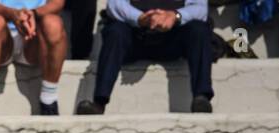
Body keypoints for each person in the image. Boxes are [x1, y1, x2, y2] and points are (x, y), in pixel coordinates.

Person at [76, 0, 213, 115]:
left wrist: (174, 16)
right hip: (135, 34)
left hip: (173, 36)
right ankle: (99, 102)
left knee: (199, 30)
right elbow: (114, 5)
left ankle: (201, 97)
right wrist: (140, 18)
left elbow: (200, 8)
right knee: (115, 31)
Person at [0, 0, 67, 117]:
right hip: (0, 30)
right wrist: (11, 14)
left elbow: (57, 3)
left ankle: (49, 101)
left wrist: (33, 14)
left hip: (34, 31)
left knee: (53, 23)